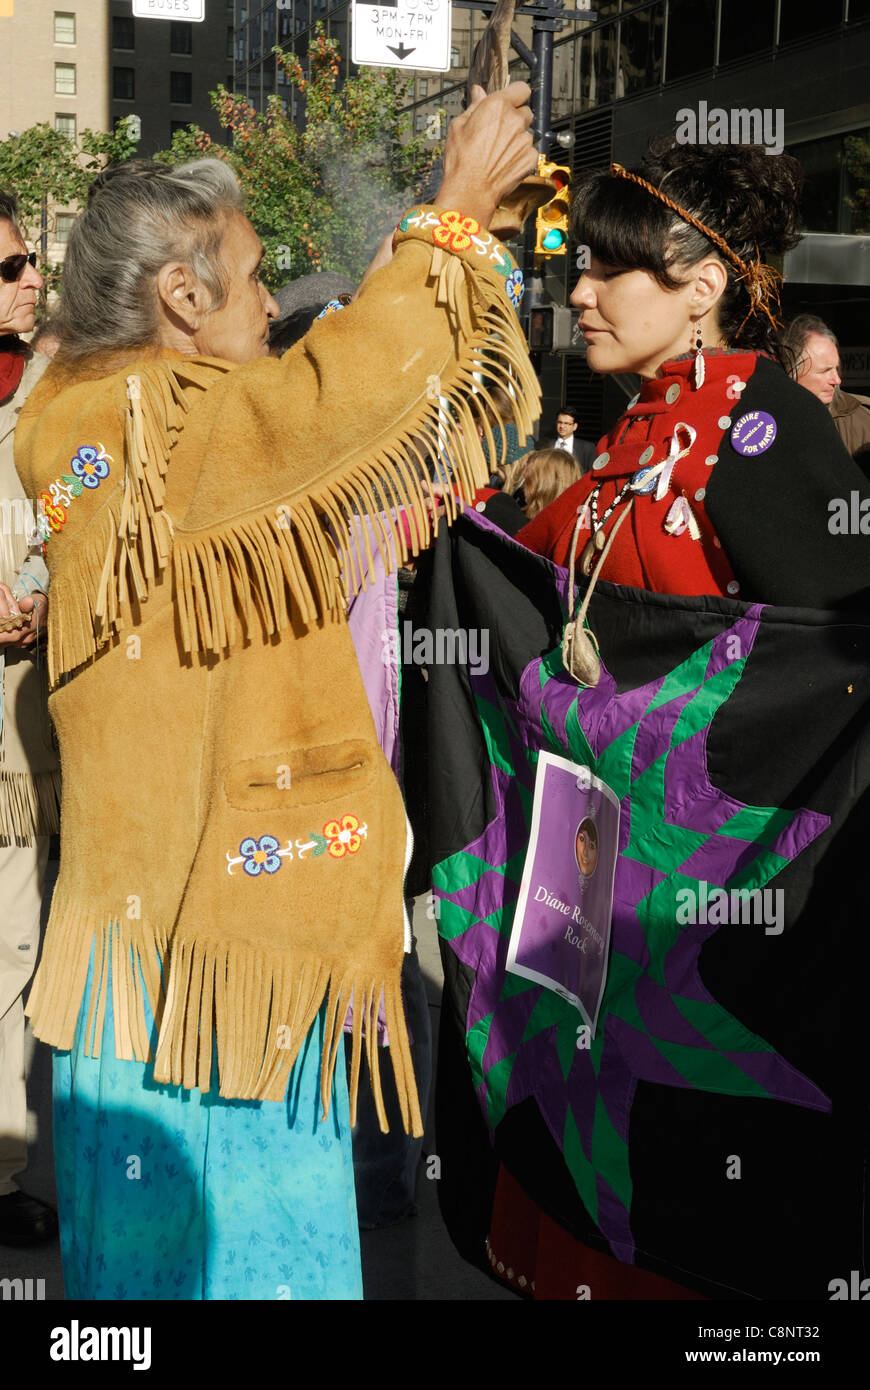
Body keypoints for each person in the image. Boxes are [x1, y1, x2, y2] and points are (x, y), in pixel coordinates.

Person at [13, 83, 539, 1299]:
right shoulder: (136, 424)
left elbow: (314, 422)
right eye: (252, 277)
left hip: (203, 957)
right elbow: (329, 403)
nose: (271, 301)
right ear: (181, 298)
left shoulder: (115, 420)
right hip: (192, 977)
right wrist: (448, 217)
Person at [474, 139, 870, 1299]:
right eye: (578, 266)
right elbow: (530, 593)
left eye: (610, 270)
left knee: (686, 1214)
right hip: (585, 905)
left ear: (702, 287)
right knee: (590, 1183)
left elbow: (841, 665)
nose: (579, 292)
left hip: (701, 911)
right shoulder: (634, 430)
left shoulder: (759, 425)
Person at [0, 192, 61, 1248]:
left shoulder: (57, 388)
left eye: (26, 260)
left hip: (21, 741)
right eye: (9, 267)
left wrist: (48, 572)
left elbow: (77, 491)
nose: (28, 277)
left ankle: (6, 1162)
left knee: (15, 947)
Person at [781, 313, 870, 476]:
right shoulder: (763, 420)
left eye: (836, 368)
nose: (837, 380)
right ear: (792, 371)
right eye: (825, 371)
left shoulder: (862, 420)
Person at [550, 405, 594, 473]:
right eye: (559, 422)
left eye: (566, 423)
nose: (562, 426)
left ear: (575, 426)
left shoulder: (587, 448)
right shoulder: (544, 445)